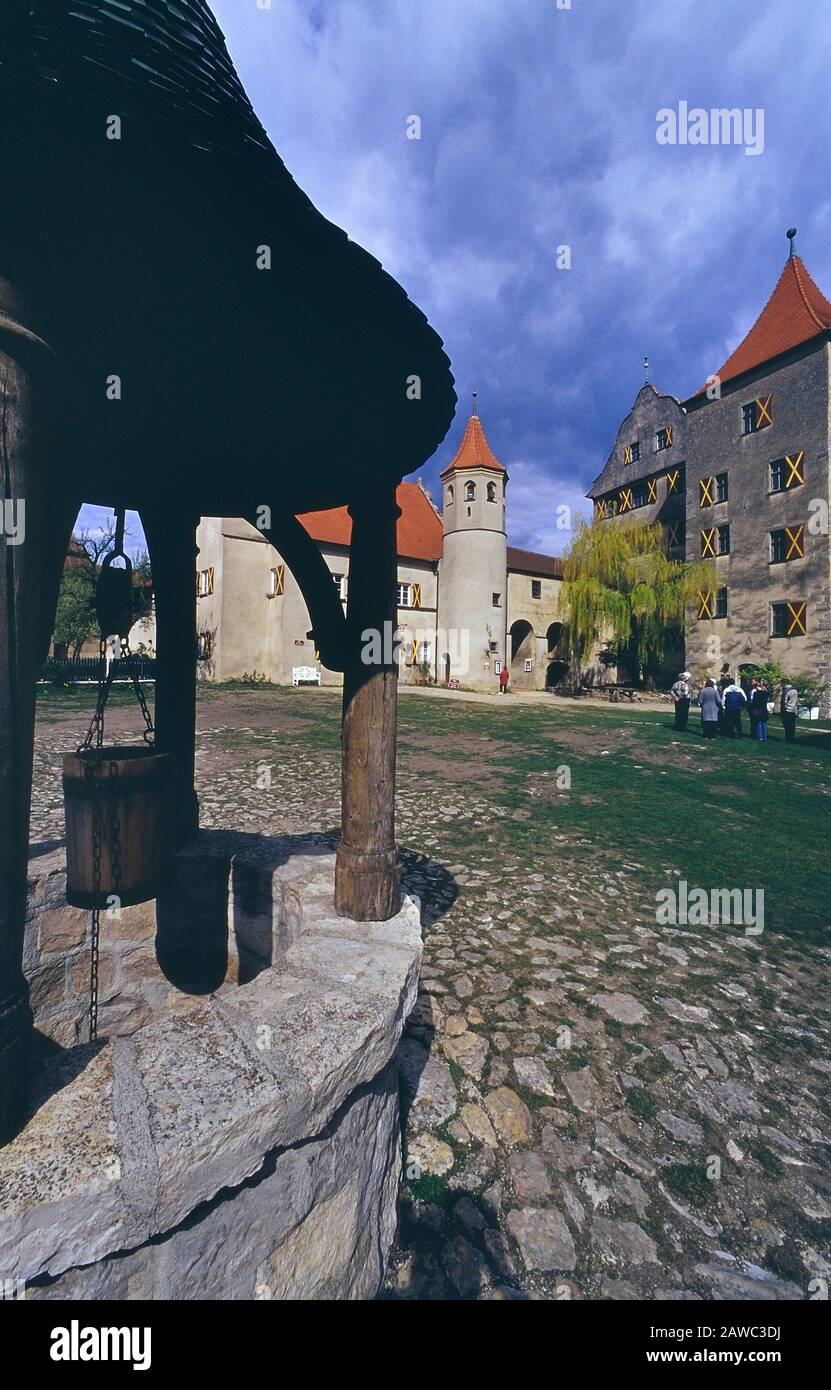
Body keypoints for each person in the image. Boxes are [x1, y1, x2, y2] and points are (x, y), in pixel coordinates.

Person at [748, 677, 769, 742]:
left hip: (757, 709)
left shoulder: (756, 693)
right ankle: (764, 737)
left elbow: (754, 701)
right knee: (764, 723)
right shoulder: (765, 693)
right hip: (764, 708)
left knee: (758, 723)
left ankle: (760, 737)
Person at [780, 677, 799, 742]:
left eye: (781, 683)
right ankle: (791, 738)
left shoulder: (787, 691)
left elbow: (785, 701)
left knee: (788, 725)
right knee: (791, 725)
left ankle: (789, 738)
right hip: (792, 709)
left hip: (788, 710)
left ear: (784, 683)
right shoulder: (793, 690)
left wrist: (785, 708)